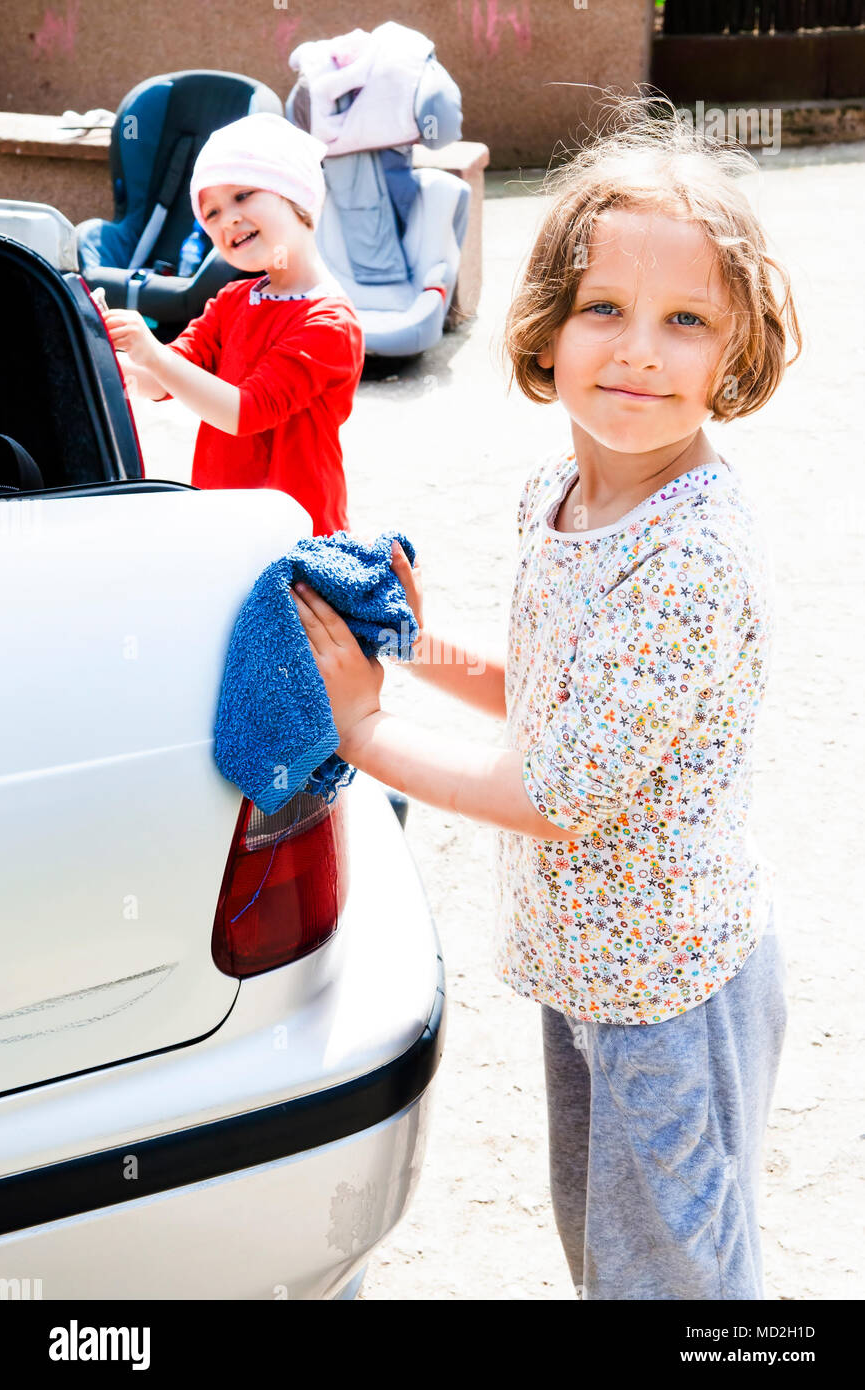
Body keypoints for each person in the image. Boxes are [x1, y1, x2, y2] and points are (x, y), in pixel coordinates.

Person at [288, 95, 801, 1299]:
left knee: (674, 1281)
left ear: (734, 354)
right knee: (610, 1254)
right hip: (597, 968)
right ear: (545, 329)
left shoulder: (686, 558)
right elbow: (557, 706)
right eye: (603, 310)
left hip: (668, 991)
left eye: (683, 321)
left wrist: (364, 724)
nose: (636, 349)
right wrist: (414, 648)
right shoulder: (557, 497)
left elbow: (557, 787)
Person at [104, 112, 364, 535]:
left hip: (297, 536)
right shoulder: (232, 300)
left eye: (243, 195)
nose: (227, 219)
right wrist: (98, 355)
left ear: (296, 195)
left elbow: (245, 412)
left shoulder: (329, 323)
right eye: (211, 213)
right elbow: (162, 378)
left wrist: (151, 353)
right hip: (223, 522)